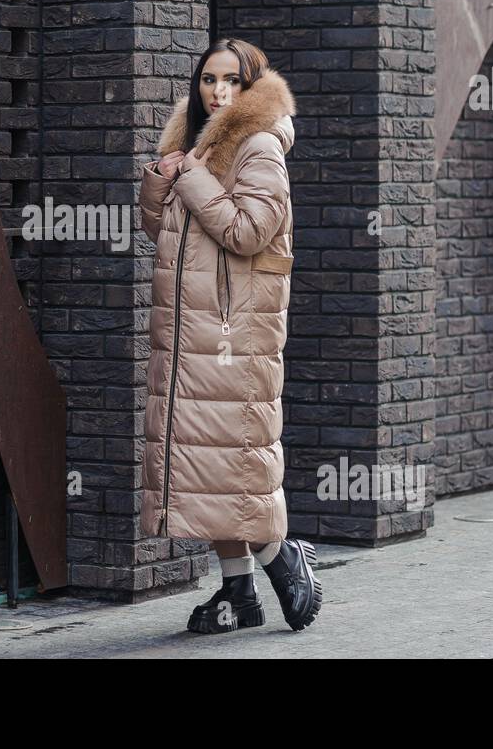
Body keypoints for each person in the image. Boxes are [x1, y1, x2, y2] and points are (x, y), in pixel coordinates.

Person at [139, 38, 323, 634]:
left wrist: (190, 178)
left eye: (230, 82)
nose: (217, 92)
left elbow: (250, 231)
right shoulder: (194, 147)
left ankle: (279, 555)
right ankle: (238, 594)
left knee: (235, 464)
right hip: (189, 332)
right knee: (204, 468)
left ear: (250, 88)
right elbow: (161, 234)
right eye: (208, 80)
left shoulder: (260, 146)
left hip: (234, 335)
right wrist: (160, 180)